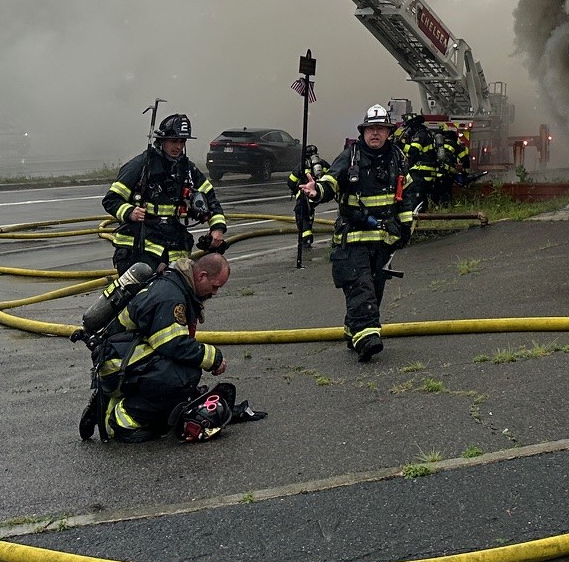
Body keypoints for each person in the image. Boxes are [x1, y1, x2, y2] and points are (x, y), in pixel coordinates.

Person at [88, 251, 263, 443]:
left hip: (122, 359)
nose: (214, 293)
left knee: (180, 371)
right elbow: (173, 344)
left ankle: (107, 406)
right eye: (214, 287)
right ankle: (123, 422)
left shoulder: (176, 284)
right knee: (183, 374)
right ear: (201, 276)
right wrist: (214, 358)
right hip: (118, 364)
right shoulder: (170, 296)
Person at [304, 103, 422, 362]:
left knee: (375, 290)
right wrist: (317, 192)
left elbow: (407, 196)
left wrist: (404, 229)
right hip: (353, 238)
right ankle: (367, 339)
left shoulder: (398, 158)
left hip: (382, 240)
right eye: (371, 129)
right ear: (363, 132)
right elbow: (331, 180)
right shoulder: (351, 156)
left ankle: (352, 330)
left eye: (380, 129)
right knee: (361, 287)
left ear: (389, 132)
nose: (375, 133)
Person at [102, 113, 228, 275]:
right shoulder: (140, 166)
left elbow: (211, 200)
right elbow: (111, 200)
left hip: (175, 245)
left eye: (182, 142)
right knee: (142, 297)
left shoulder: (188, 169)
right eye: (173, 141)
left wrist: (217, 229)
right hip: (141, 247)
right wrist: (129, 212)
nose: (178, 147)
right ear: (162, 140)